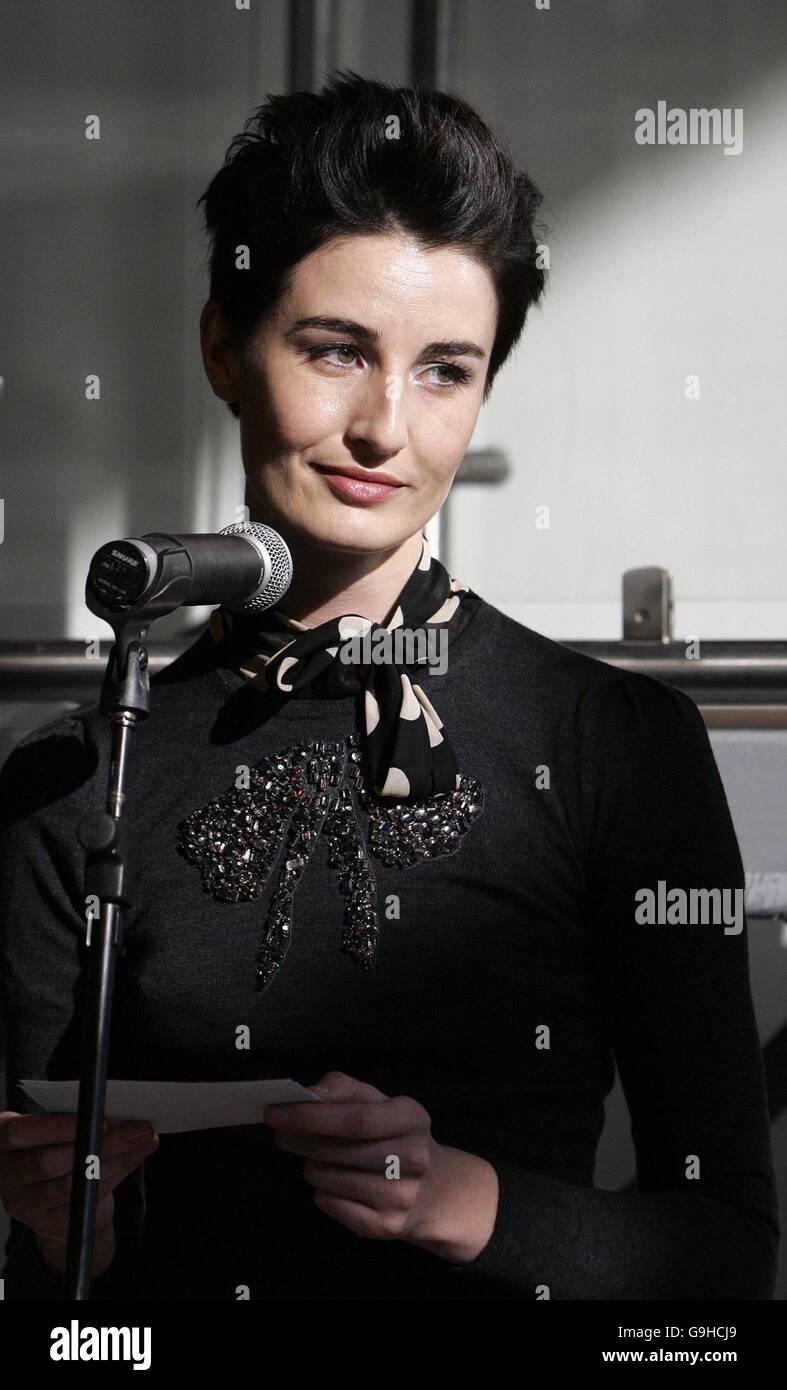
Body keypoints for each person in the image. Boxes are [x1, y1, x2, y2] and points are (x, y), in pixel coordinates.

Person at [0, 71, 778, 1301]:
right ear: (222, 347)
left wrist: (464, 1204)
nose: (383, 427)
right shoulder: (78, 776)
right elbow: (57, 1303)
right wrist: (62, 1246)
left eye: (443, 370)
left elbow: (726, 1256)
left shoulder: (613, 741)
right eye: (334, 350)